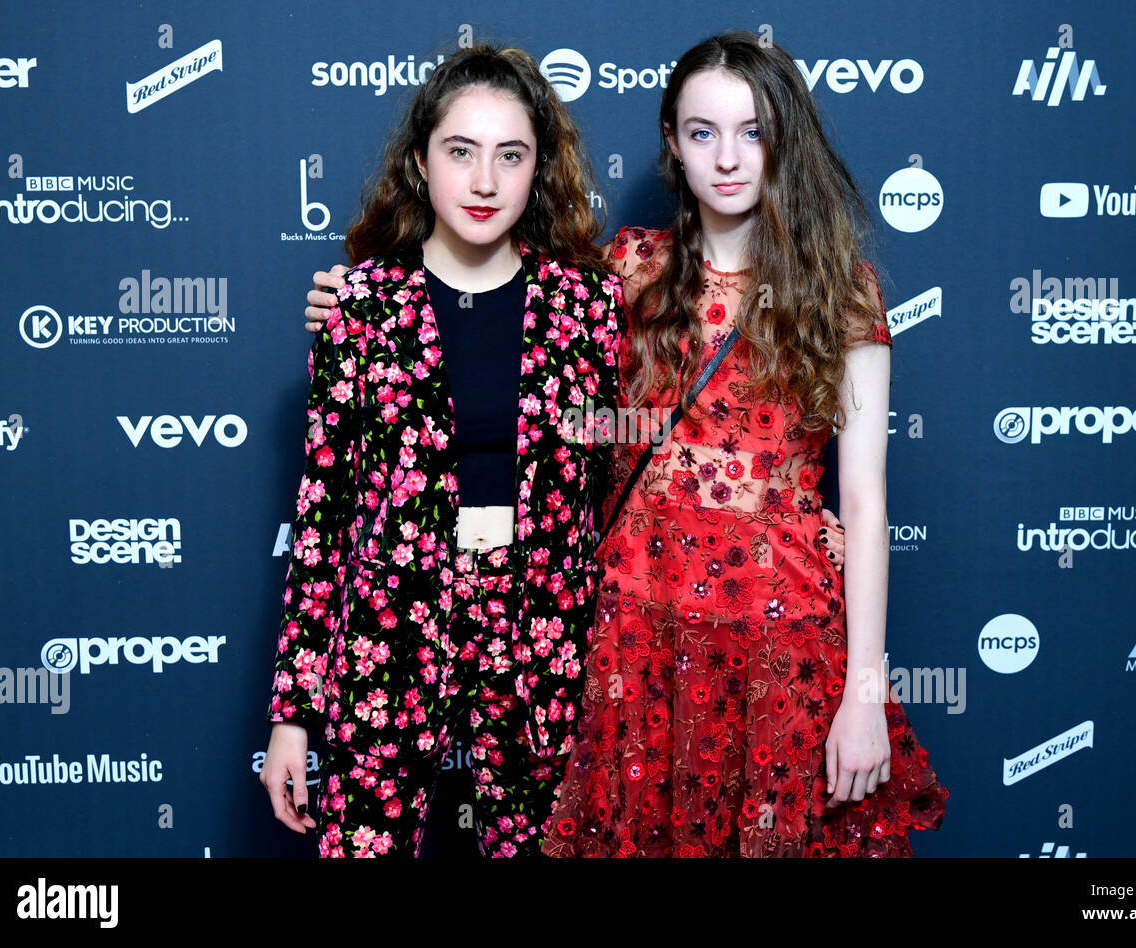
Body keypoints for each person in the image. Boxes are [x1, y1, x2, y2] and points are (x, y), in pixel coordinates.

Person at [537, 31, 948, 856]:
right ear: (673, 147)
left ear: (783, 139)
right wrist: (364, 297)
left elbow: (863, 503)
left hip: (780, 637)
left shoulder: (842, 293)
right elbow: (485, 304)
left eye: (752, 131)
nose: (727, 157)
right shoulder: (624, 270)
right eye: (702, 132)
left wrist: (863, 695)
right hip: (641, 634)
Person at [258, 43, 624, 858]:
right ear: (421, 162)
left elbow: (632, 464)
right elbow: (322, 515)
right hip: (391, 626)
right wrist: (292, 716)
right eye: (461, 152)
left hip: (544, 632)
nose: (485, 182)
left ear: (540, 170)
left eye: (511, 155)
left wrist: (782, 513)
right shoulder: (361, 304)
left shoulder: (589, 304)